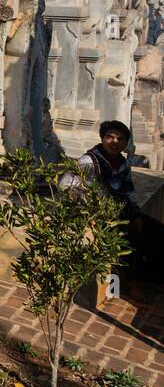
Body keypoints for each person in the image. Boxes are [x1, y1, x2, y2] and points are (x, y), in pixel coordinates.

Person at [64, 120, 163, 287]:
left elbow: (128, 191)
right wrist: (88, 207)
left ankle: (152, 277)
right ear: (102, 139)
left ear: (125, 143)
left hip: (120, 212)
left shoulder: (122, 163)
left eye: (120, 138)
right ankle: (132, 284)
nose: (114, 142)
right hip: (99, 214)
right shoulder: (90, 161)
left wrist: (136, 214)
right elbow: (65, 185)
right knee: (131, 237)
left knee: (158, 231)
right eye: (109, 137)